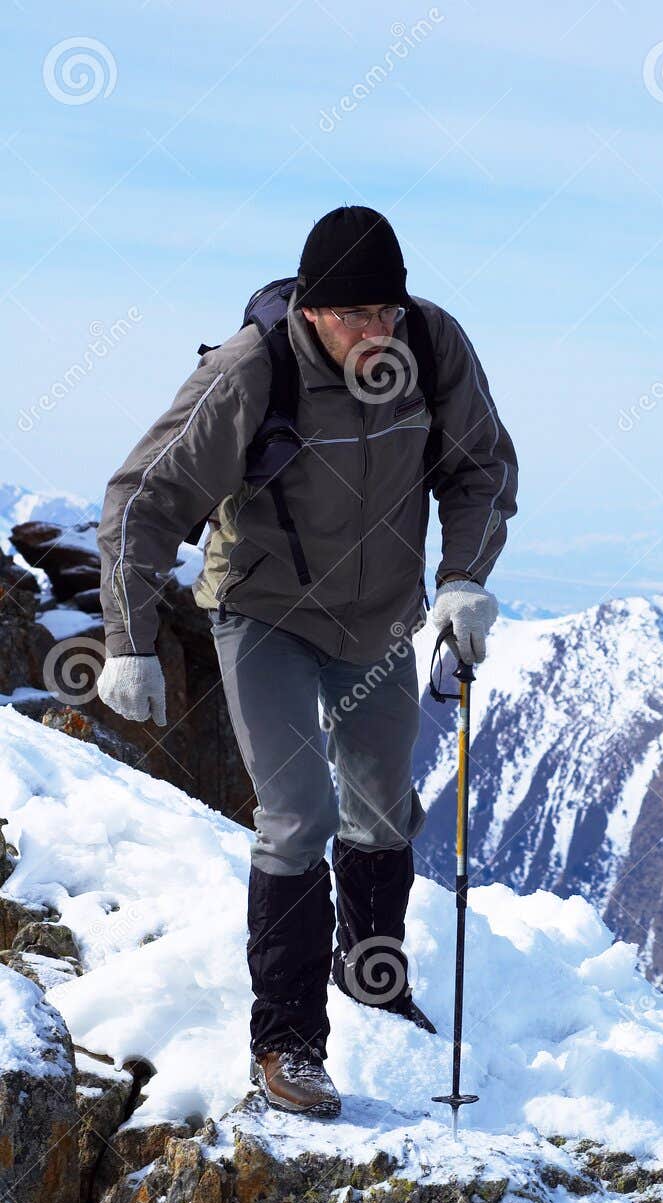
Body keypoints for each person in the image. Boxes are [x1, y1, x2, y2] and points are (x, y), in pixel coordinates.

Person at [94, 205, 518, 1118]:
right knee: (297, 814)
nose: (381, 331)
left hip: (377, 624)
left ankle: (374, 987)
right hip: (265, 614)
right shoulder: (253, 371)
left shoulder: (434, 349)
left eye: (391, 311)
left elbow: (479, 469)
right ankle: (287, 1043)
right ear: (314, 311)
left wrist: (463, 578)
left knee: (382, 810)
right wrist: (129, 641)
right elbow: (142, 499)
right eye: (359, 314)